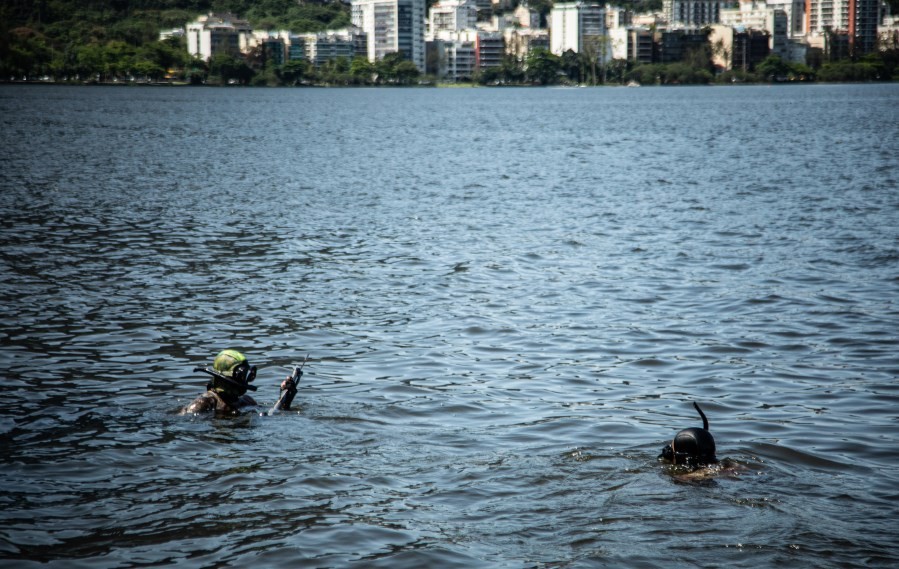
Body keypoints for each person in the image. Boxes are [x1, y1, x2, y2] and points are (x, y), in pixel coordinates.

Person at [180, 349, 301, 415]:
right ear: (226, 376)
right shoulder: (204, 403)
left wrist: (286, 400)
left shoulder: (247, 401)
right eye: (241, 375)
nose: (244, 380)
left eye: (246, 375)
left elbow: (271, 417)